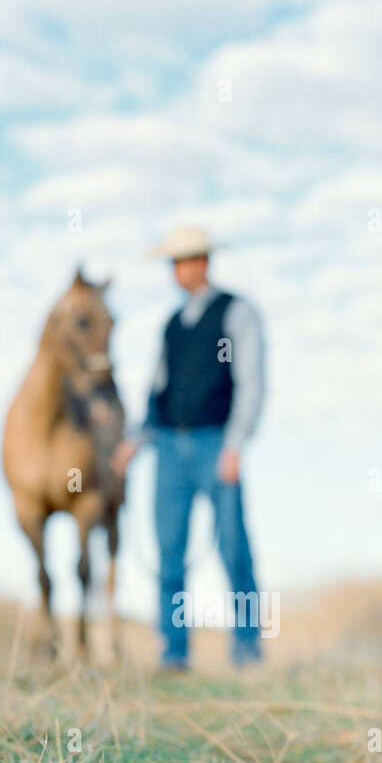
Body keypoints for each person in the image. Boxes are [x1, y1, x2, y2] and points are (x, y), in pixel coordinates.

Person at [112, 226, 265, 671]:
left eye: (184, 261)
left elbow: (251, 382)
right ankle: (174, 654)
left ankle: (247, 649)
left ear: (203, 262)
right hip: (167, 448)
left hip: (216, 442)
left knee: (234, 549)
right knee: (170, 557)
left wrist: (235, 445)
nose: (178, 271)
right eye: (173, 263)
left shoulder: (236, 313)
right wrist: (135, 443)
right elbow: (157, 391)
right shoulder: (172, 327)